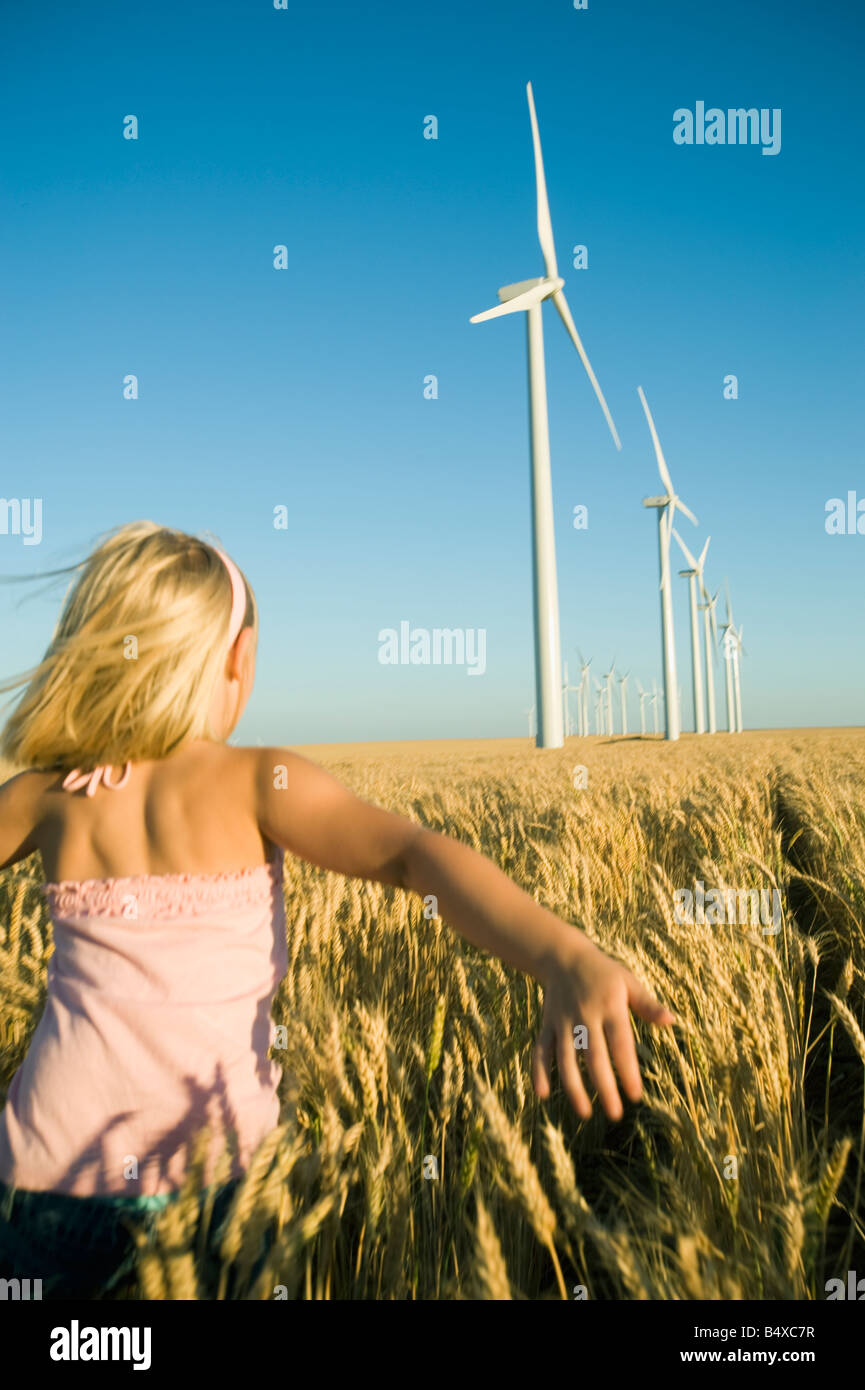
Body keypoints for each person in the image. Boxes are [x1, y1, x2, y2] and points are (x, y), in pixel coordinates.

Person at [0, 520, 675, 1297]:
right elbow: (411, 854)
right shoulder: (257, 781)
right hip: (216, 1185)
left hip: (41, 1178)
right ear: (234, 660)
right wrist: (562, 952)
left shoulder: (50, 794)